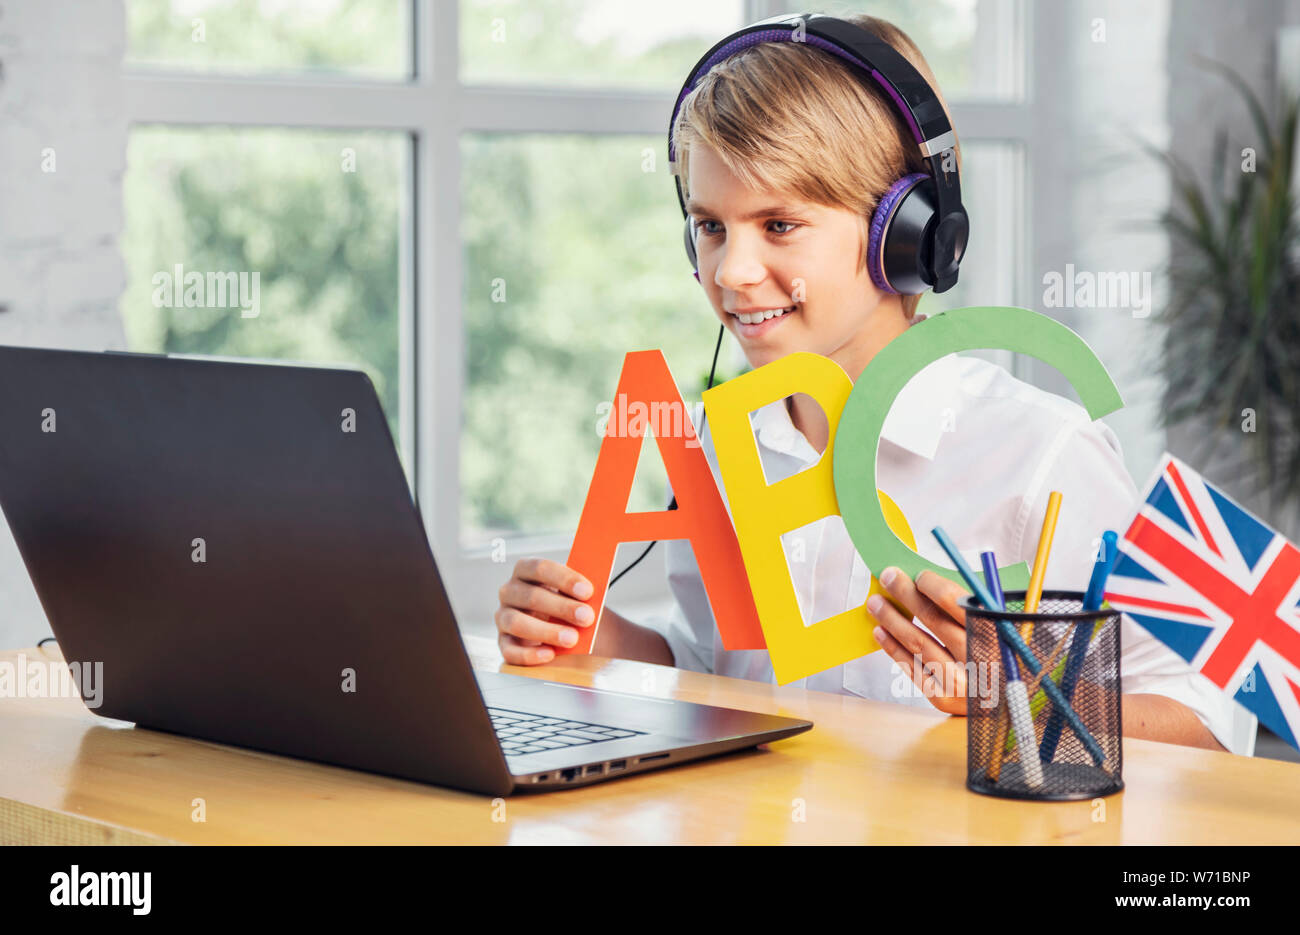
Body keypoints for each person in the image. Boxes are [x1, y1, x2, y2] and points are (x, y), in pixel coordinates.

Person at [494, 13, 1252, 755]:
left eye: (780, 225)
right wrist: (595, 632)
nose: (729, 272)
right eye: (710, 226)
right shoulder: (722, 444)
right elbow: (719, 670)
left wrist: (1015, 697)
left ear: (909, 234)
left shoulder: (1039, 451)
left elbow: (1211, 718)